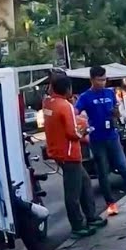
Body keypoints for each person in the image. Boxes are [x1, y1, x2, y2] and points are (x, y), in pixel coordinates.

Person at [74, 65, 126, 215]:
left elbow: (117, 113)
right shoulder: (85, 97)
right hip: (97, 140)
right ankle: (110, 204)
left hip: (112, 136)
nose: (103, 82)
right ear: (92, 80)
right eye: (99, 80)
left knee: (125, 168)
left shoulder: (110, 93)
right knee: (103, 173)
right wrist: (83, 126)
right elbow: (75, 113)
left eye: (104, 79)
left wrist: (116, 113)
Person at [42, 74, 106, 237]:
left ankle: (91, 217)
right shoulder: (65, 105)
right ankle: (77, 226)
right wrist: (84, 130)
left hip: (58, 152)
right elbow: (73, 133)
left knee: (84, 183)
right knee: (73, 192)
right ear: (67, 89)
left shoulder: (48, 104)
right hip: (70, 153)